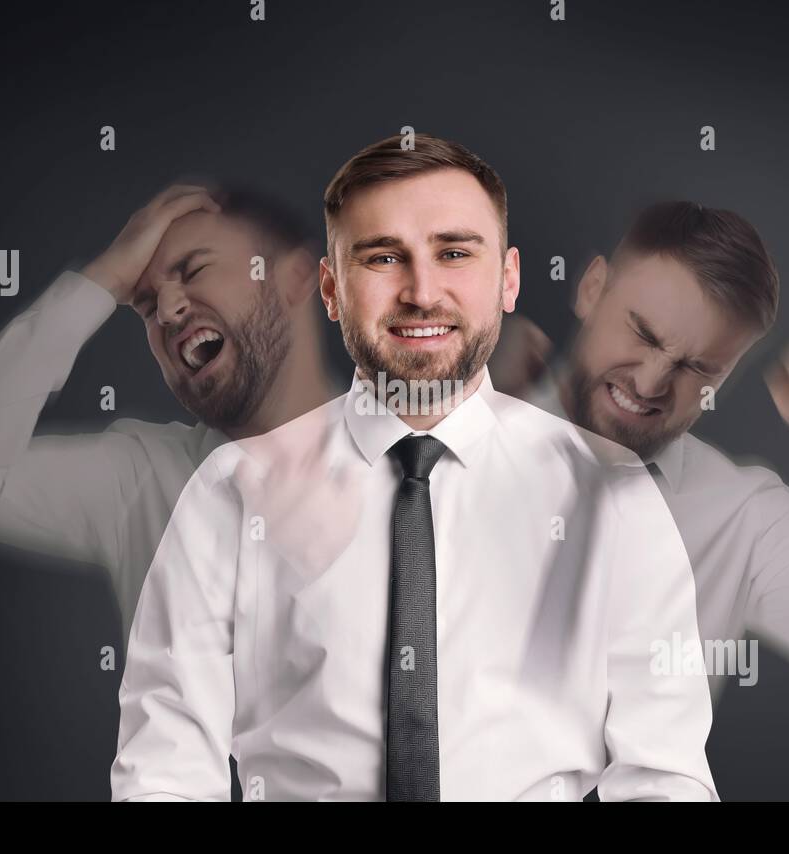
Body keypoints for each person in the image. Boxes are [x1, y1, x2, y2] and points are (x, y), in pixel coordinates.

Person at [111, 135, 717, 802]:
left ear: (509, 279)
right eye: (382, 257)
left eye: (454, 252)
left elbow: (664, 777)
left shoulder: (613, 499)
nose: (422, 291)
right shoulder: (230, 496)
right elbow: (164, 771)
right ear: (331, 288)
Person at [499, 201, 789, 720]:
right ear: (592, 288)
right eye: (643, 334)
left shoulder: (744, 515)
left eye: (696, 367)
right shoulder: (457, 418)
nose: (650, 384)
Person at [0, 184, 337, 636]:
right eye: (146, 306)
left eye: (195, 269)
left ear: (297, 278)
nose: (166, 311)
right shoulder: (141, 480)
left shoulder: (407, 469)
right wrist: (101, 281)